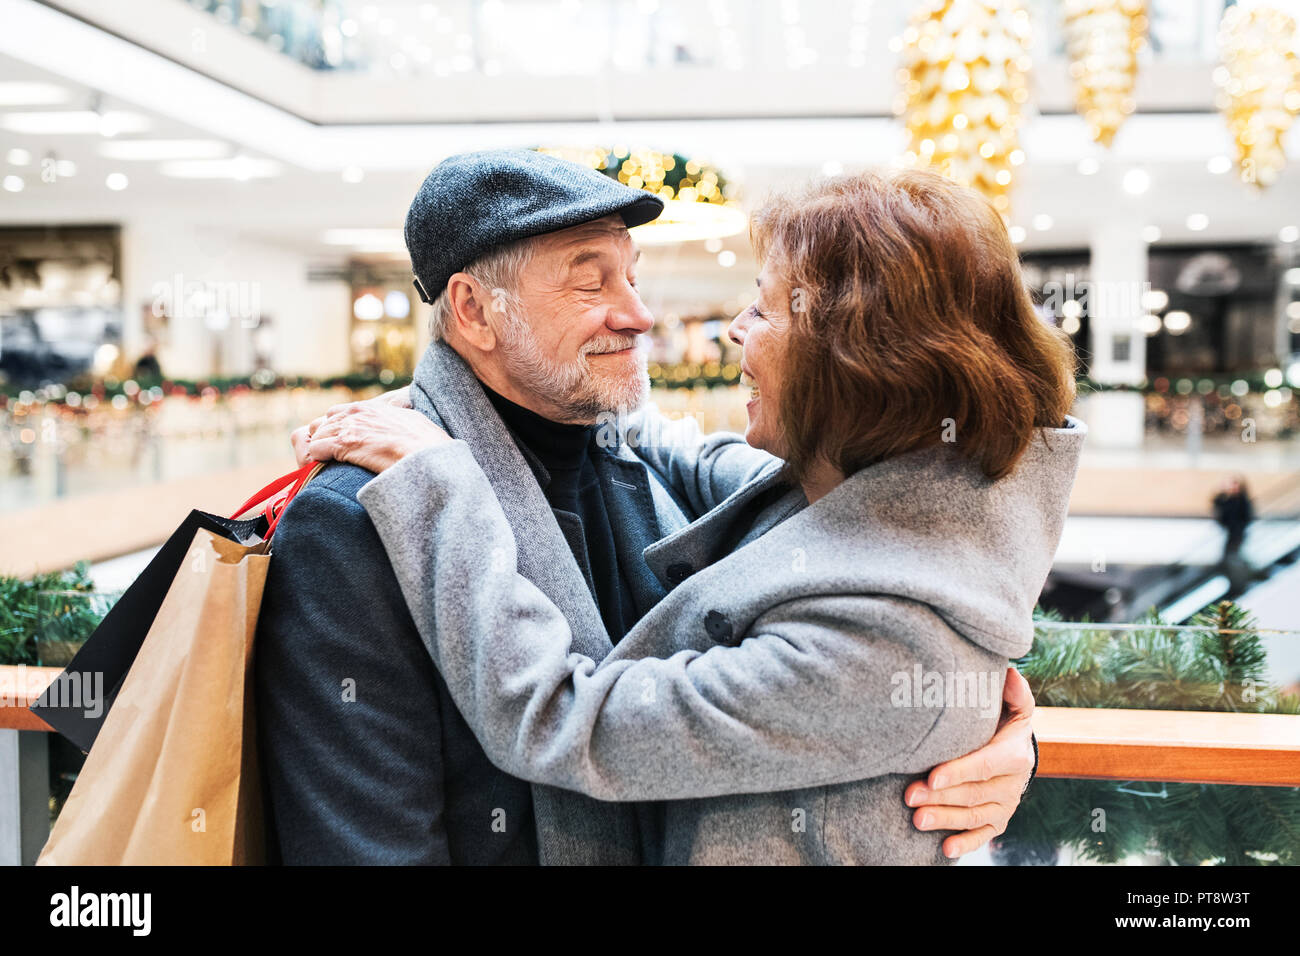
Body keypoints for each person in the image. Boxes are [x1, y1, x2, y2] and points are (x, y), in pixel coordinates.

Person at [291, 159, 1081, 864]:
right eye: (592, 281)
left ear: (858, 371)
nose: (640, 316)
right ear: (473, 311)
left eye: (632, 278)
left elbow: (588, 721)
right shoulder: (359, 515)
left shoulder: (699, 500)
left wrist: (984, 725)